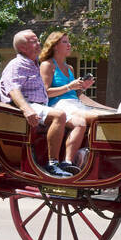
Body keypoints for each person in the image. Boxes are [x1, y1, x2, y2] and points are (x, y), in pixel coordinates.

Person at [0, 29, 74, 179]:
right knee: (59, 115)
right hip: (24, 108)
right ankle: (52, 164)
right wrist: (26, 109)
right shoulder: (16, 64)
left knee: (74, 119)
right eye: (33, 41)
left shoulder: (34, 64)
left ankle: (70, 161)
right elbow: (13, 89)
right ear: (22, 48)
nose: (39, 43)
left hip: (39, 106)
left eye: (38, 40)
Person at [38, 30, 99, 171]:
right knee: (98, 117)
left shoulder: (69, 68)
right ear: (54, 46)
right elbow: (45, 93)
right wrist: (68, 86)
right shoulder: (47, 65)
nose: (69, 45)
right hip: (59, 106)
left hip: (74, 104)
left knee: (81, 123)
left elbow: (73, 94)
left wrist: (82, 88)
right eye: (64, 42)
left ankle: (68, 162)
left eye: (68, 42)